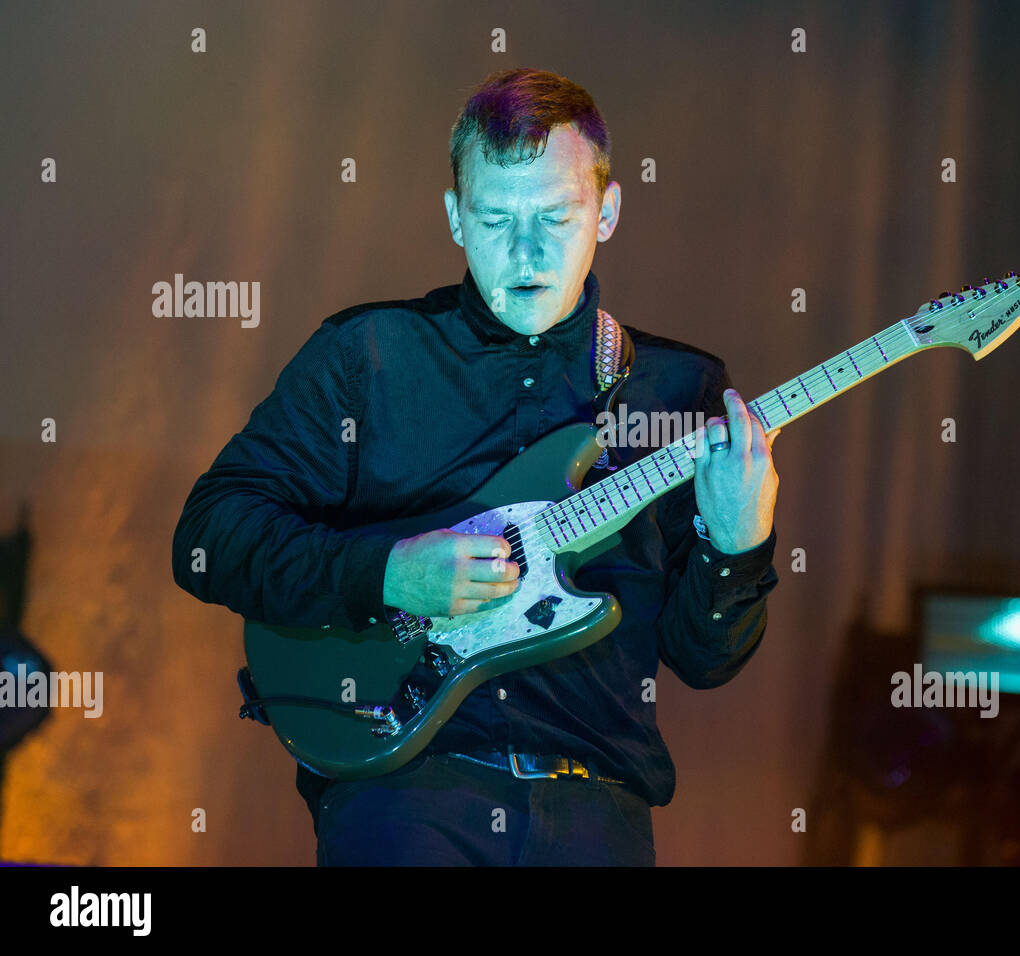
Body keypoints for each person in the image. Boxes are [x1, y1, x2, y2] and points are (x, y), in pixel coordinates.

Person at [172, 68, 780, 865]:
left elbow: (705, 660)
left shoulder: (679, 390)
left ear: (609, 211)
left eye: (557, 217)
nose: (526, 252)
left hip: (598, 808)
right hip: (403, 790)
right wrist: (385, 574)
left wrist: (737, 547)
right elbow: (207, 537)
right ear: (456, 218)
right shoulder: (368, 358)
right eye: (496, 219)